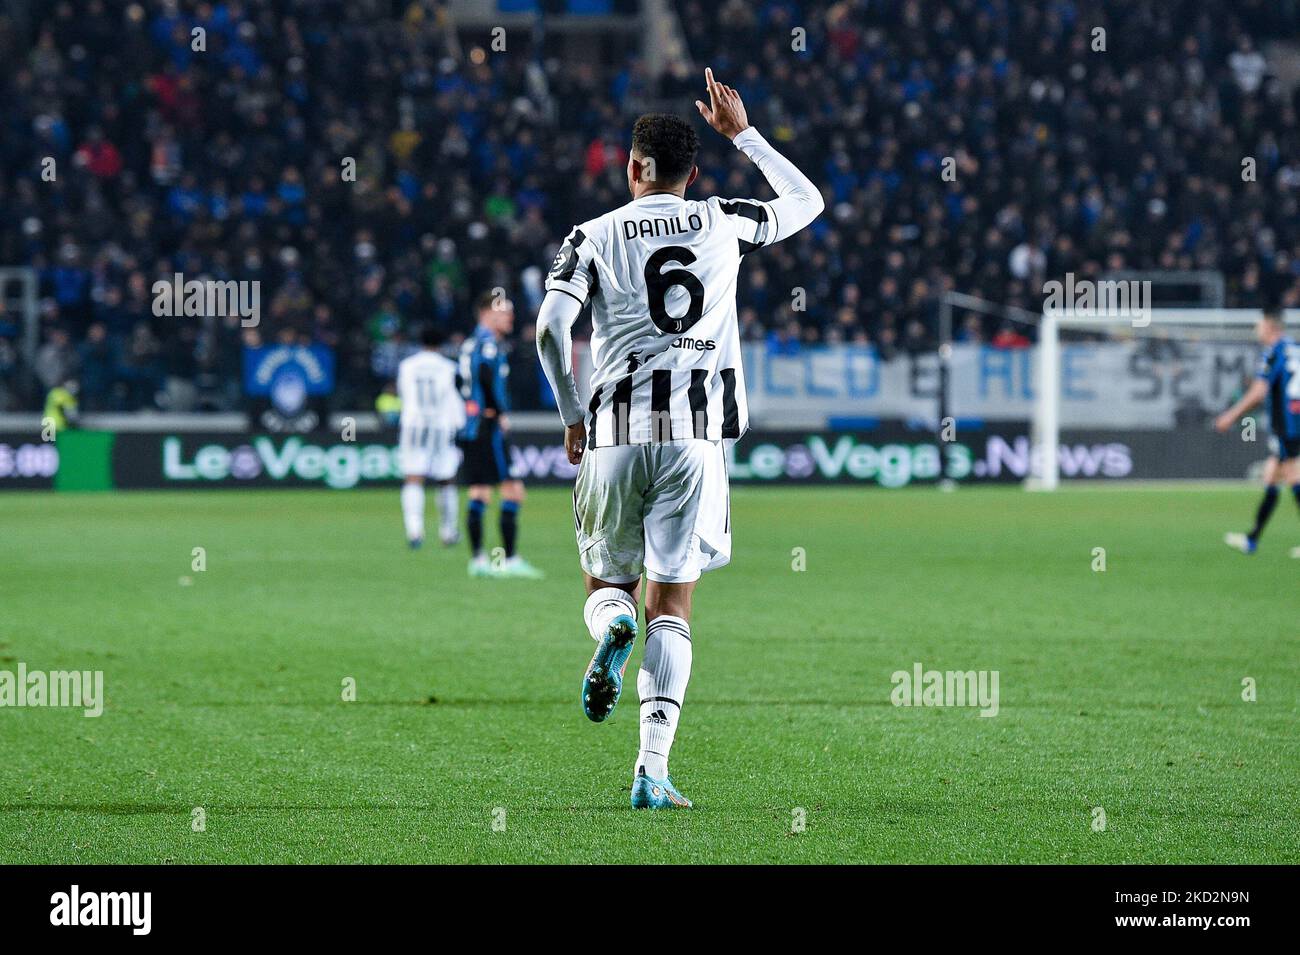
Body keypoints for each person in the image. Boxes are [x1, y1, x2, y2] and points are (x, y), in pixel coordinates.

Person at [534, 69, 823, 808]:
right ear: (693, 176)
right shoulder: (722, 218)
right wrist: (745, 133)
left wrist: (571, 411)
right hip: (695, 438)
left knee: (607, 587)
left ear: (632, 167)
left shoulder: (591, 235)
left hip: (613, 432)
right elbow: (807, 202)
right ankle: (651, 770)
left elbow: (547, 329)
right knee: (676, 604)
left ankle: (614, 622)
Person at [458, 291, 544, 578]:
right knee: (513, 490)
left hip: (472, 427)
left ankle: (479, 560)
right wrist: (498, 411)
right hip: (489, 427)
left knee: (480, 491)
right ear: (487, 314)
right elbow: (484, 375)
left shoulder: (469, 344)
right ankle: (508, 559)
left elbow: (461, 382)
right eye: (504, 312)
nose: (510, 317)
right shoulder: (489, 345)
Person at [1216, 309, 1300, 554]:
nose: (1256, 329)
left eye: (1259, 325)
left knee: (1293, 477)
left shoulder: (1274, 353)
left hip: (1287, 424)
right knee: (1271, 475)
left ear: (1271, 327)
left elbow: (1259, 392)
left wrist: (1231, 415)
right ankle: (1252, 539)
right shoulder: (1295, 347)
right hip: (1296, 418)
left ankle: (1252, 540)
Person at [397, 325, 465, 548]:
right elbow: (455, 398)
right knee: (445, 478)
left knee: (413, 476)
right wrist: (460, 424)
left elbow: (404, 394)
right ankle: (448, 532)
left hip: (414, 424)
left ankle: (414, 531)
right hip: (441, 425)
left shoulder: (407, 366)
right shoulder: (449, 367)